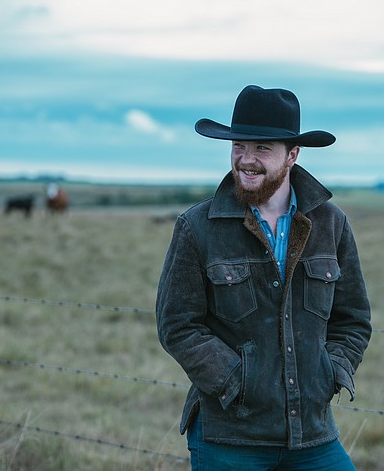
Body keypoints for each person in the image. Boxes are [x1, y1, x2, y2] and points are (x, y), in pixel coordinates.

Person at [156, 85, 371, 470]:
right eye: (239, 146)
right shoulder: (198, 227)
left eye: (262, 149)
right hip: (230, 436)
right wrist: (237, 382)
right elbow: (178, 325)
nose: (245, 159)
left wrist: (330, 372)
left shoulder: (330, 224)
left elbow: (353, 318)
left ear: (292, 155)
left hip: (312, 434)